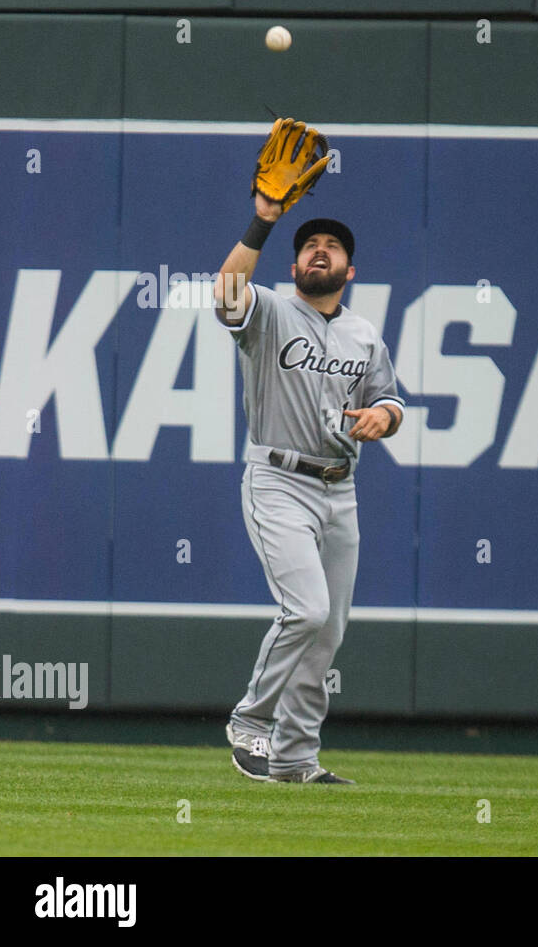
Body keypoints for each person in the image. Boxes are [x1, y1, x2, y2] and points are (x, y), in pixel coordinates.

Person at [211, 189, 404, 784]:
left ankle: (295, 758)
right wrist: (264, 220)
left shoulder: (364, 334)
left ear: (351, 269)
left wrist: (384, 418)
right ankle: (251, 719)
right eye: (310, 246)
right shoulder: (268, 309)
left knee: (329, 631)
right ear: (293, 268)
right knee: (307, 608)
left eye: (333, 246)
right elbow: (225, 294)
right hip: (278, 478)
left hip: (340, 489)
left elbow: (390, 400)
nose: (321, 251)